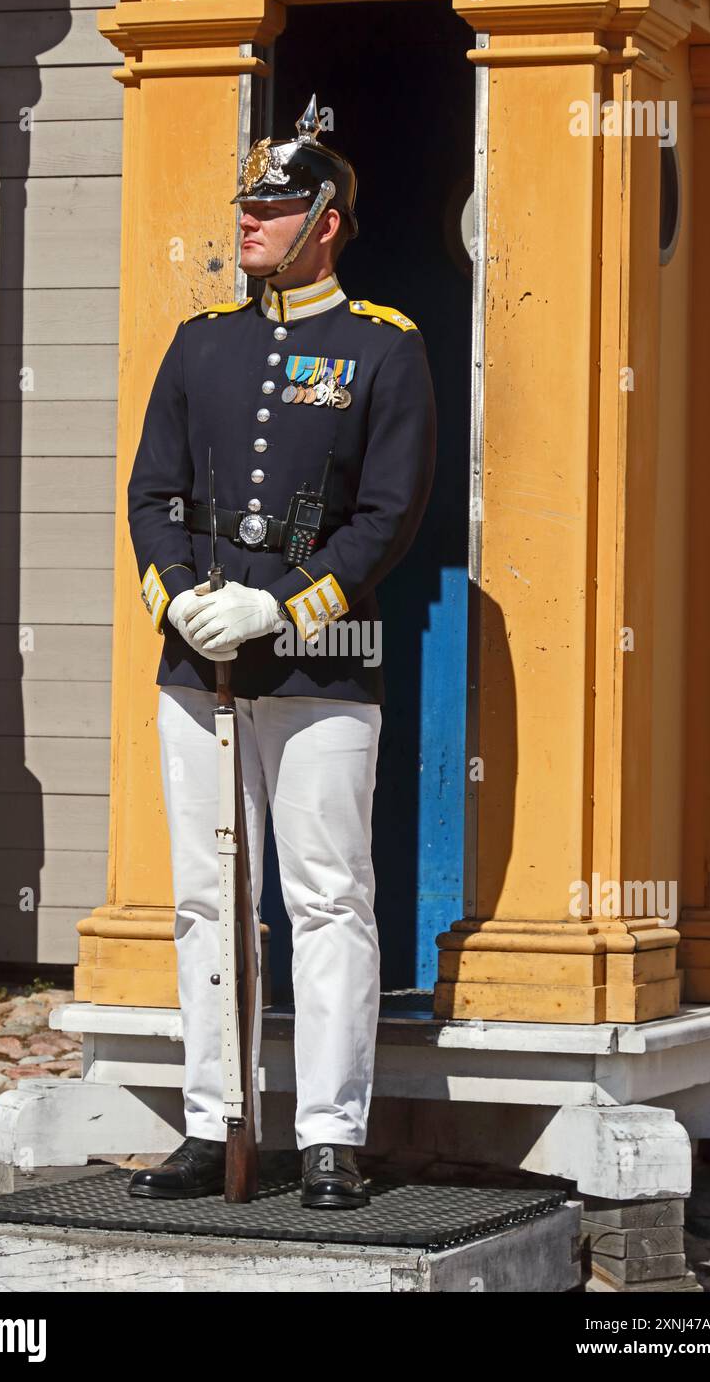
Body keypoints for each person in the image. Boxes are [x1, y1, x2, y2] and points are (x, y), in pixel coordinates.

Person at [126, 94, 437, 1209]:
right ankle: (214, 1122)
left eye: (274, 207)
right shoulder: (200, 344)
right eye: (247, 206)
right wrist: (181, 601)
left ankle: (326, 1135)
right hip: (198, 670)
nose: (250, 223)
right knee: (207, 899)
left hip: (321, 665)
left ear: (328, 221)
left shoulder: (381, 350)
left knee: (325, 895)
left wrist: (283, 609)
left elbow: (388, 514)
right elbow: (151, 492)